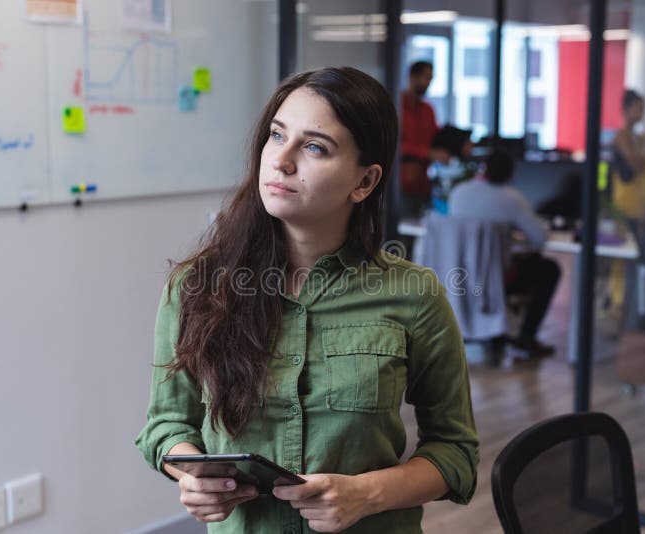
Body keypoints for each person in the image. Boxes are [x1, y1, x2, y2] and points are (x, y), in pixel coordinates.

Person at [135, 67, 478, 533]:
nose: (282, 160)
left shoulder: (414, 296)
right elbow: (167, 425)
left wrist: (366, 495)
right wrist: (191, 473)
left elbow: (455, 453)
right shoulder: (197, 286)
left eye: (314, 147)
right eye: (277, 136)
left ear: (365, 182)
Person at [448, 149, 561, 358]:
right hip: (496, 276)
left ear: (483, 168)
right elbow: (540, 237)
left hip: (459, 274)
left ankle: (498, 328)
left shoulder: (459, 193)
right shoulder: (511, 198)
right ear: (511, 174)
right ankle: (526, 337)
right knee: (549, 269)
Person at [608, 89, 645, 312]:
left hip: (640, 203)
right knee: (622, 255)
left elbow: (644, 164)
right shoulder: (622, 137)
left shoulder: (636, 138)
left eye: (644, 108)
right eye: (638, 107)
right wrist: (644, 147)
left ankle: (630, 303)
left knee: (635, 256)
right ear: (626, 109)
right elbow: (637, 165)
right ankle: (617, 303)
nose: (642, 112)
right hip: (625, 203)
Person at [400, 60, 451, 218]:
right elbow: (394, 145)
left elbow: (436, 138)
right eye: (426, 77)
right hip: (400, 183)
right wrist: (428, 153)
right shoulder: (397, 105)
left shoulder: (428, 110)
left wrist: (457, 144)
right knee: (400, 237)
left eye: (431, 78)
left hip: (423, 184)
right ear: (412, 77)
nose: (428, 82)